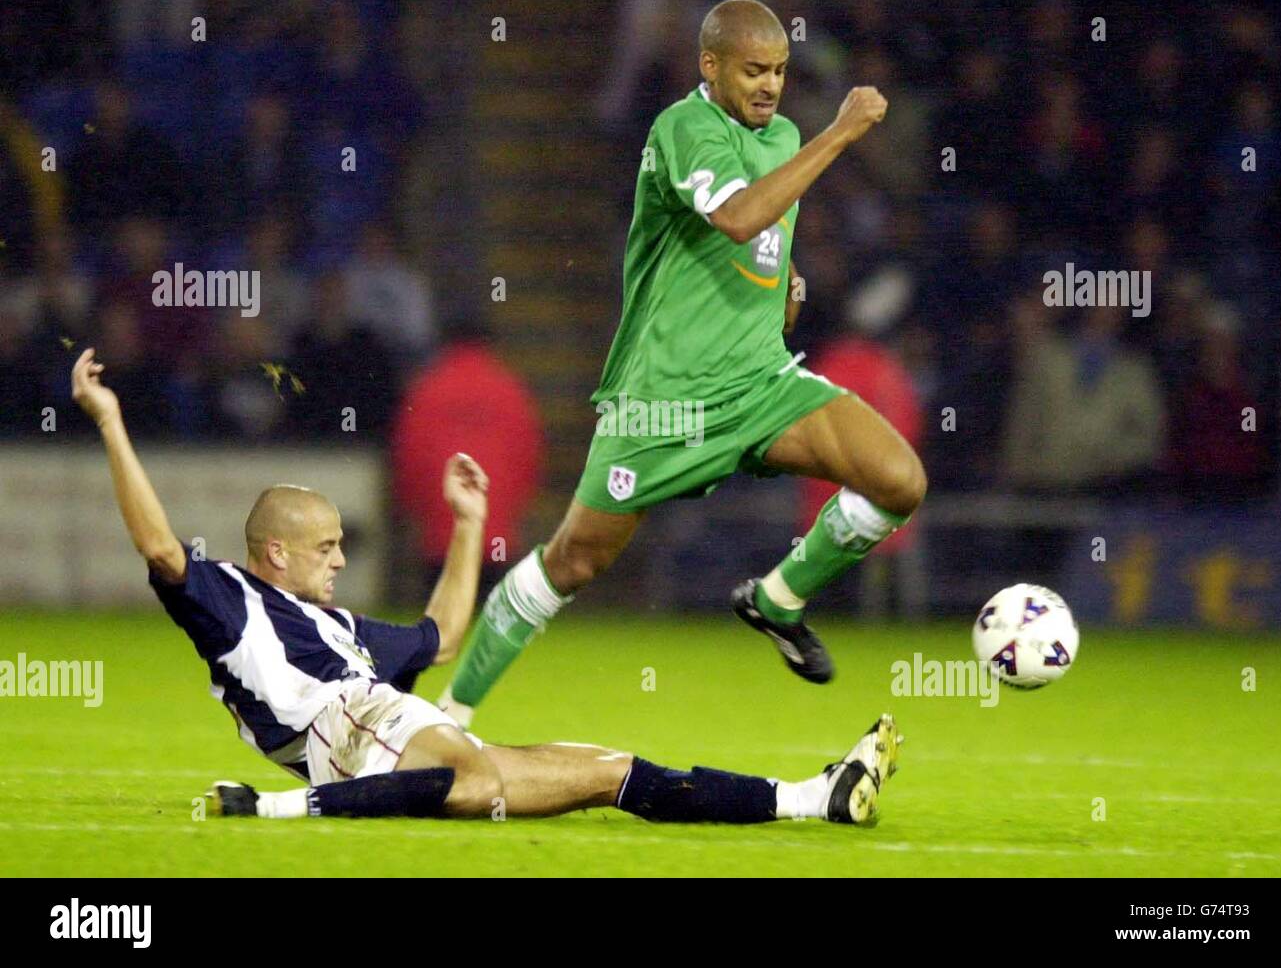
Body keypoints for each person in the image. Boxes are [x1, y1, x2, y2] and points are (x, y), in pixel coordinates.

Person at [70, 348, 902, 825]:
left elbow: (441, 636)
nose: (338, 561)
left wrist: (469, 525)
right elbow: (156, 545)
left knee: (605, 769)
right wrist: (110, 421)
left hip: (384, 720)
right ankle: (271, 811)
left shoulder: (340, 631)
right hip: (347, 727)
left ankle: (810, 799)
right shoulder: (229, 599)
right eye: (324, 548)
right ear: (274, 554)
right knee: (472, 784)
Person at [440, 0, 926, 726]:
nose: (770, 86)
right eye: (754, 70)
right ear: (710, 65)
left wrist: (785, 282)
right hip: (662, 401)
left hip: (760, 385)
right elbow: (735, 217)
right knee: (574, 561)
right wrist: (841, 134)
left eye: (781, 72)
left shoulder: (783, 133)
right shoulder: (683, 129)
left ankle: (778, 599)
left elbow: (759, 239)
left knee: (899, 480)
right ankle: (448, 716)